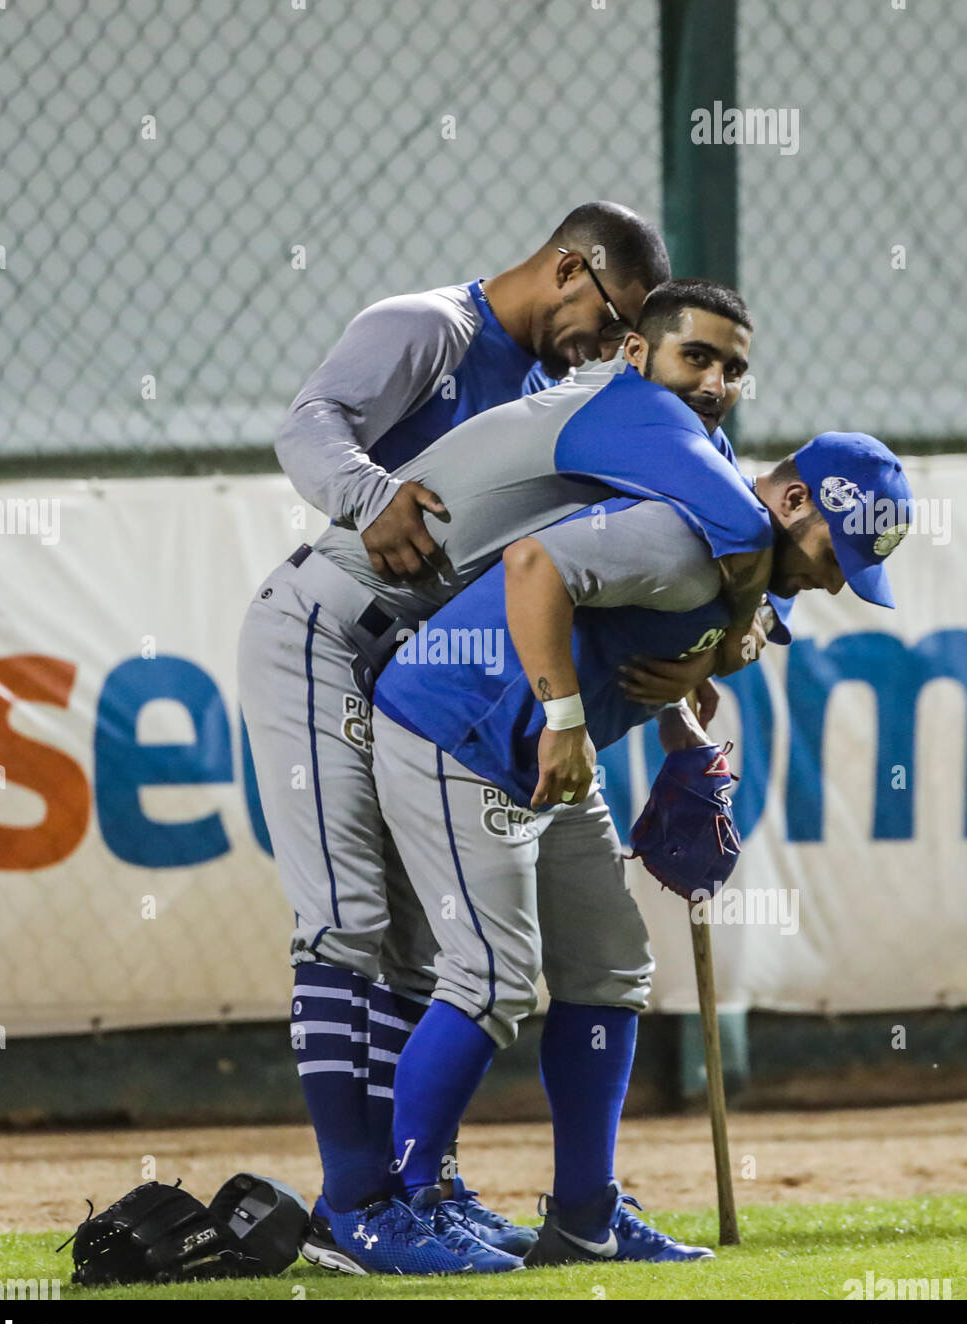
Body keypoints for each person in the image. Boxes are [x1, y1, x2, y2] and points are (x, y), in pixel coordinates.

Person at [240, 279, 772, 1273]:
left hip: (427, 665)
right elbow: (735, 543)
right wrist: (367, 493)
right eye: (691, 353)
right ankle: (359, 1204)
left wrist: (708, 669)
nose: (714, 380)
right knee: (353, 924)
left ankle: (451, 1196)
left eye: (734, 366)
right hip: (338, 638)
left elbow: (669, 586)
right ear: (629, 339)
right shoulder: (500, 354)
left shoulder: (658, 431)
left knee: (422, 943)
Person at [353, 432, 913, 1274]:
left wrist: (686, 728)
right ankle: (391, 1211)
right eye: (839, 555)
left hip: (542, 753)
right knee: (491, 978)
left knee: (611, 970)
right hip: (457, 727)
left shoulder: (755, 557)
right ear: (794, 501)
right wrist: (572, 720)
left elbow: (677, 640)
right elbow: (534, 567)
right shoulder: (687, 537)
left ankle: (586, 1217)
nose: (838, 581)